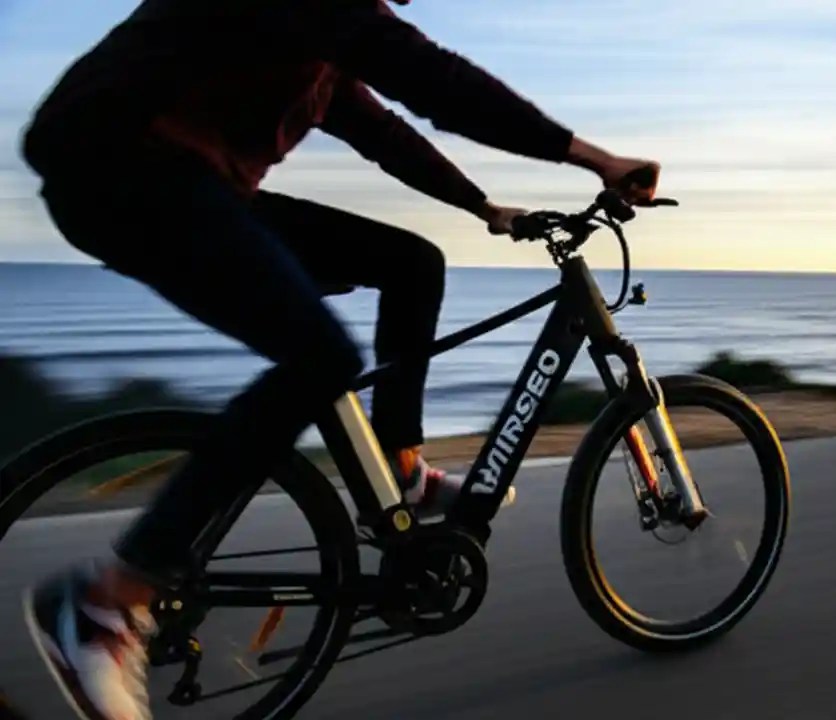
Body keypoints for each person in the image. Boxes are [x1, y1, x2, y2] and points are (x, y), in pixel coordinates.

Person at [18, 1, 661, 718]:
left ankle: (404, 474)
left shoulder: (320, 46)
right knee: (321, 356)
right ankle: (107, 601)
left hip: (189, 183)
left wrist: (484, 207)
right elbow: (434, 80)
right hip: (119, 166)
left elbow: (385, 132)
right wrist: (596, 158)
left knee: (411, 262)